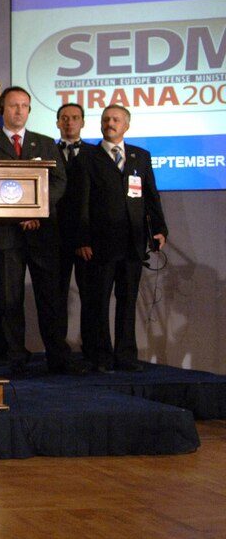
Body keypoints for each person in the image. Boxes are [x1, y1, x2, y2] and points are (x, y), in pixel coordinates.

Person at [0, 87, 86, 375]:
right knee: (9, 300)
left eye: (24, 105)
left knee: (50, 298)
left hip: (43, 234)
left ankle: (57, 356)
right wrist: (19, 215)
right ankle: (15, 358)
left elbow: (59, 182)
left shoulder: (46, 144)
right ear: (2, 109)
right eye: (13, 105)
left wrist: (36, 211)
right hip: (5, 234)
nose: (19, 110)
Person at [71, 105, 167, 373]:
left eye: (115, 119)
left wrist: (159, 229)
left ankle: (125, 356)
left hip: (133, 244)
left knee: (128, 302)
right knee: (98, 302)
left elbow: (151, 197)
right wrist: (82, 239)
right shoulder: (87, 157)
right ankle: (99, 356)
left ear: (126, 125)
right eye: (105, 119)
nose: (109, 123)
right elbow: (81, 204)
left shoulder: (140, 157)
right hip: (99, 245)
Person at [54, 102, 89, 361]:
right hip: (54, 235)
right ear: (57, 123)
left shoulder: (96, 154)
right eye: (64, 118)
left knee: (90, 295)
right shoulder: (47, 150)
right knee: (56, 296)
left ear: (83, 122)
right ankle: (59, 350)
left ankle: (91, 347)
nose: (69, 122)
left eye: (75, 118)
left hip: (87, 237)